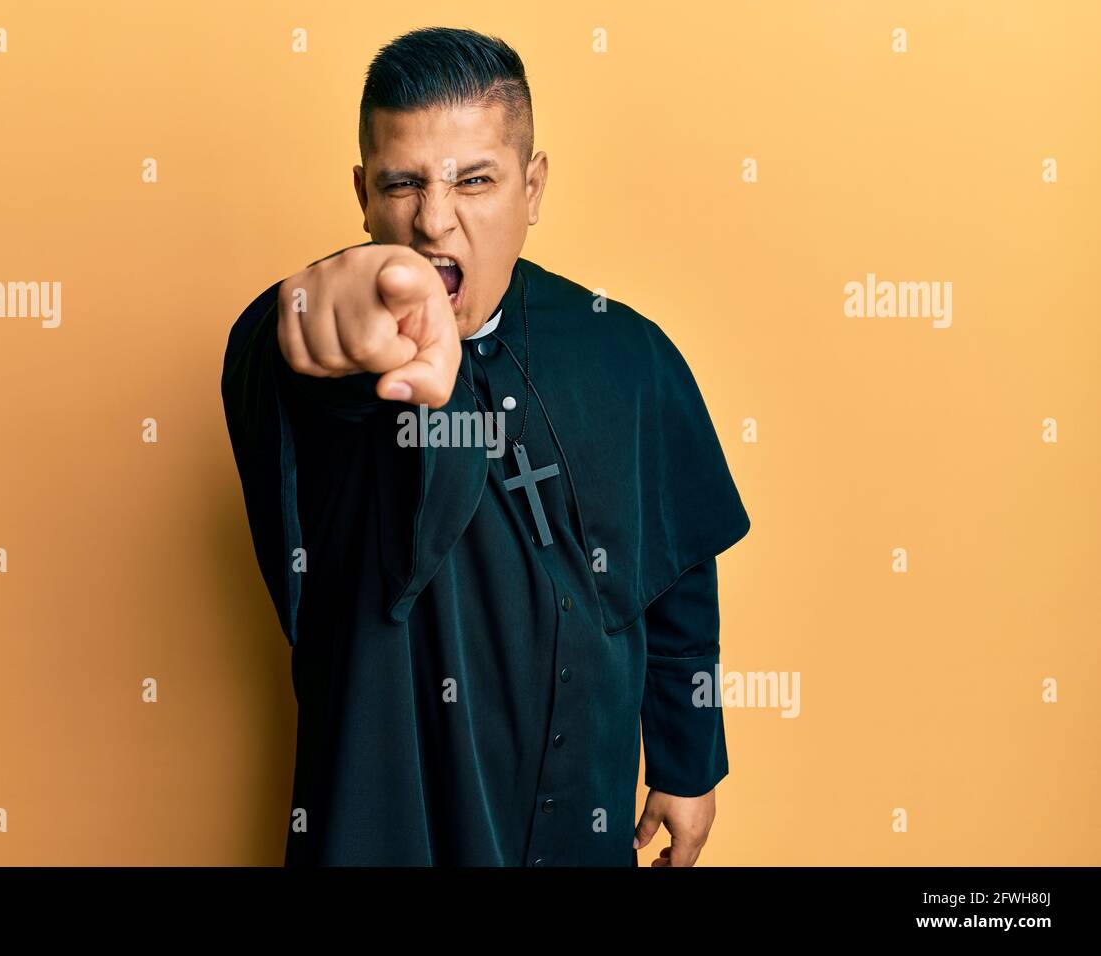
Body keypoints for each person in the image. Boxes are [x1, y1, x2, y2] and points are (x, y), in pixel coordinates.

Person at [221, 26, 750, 866]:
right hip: (391, 820)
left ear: (532, 187)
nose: (435, 221)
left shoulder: (629, 352)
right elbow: (293, 350)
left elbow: (681, 580)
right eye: (402, 183)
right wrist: (316, 319)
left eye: (475, 180)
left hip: (588, 812)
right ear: (363, 194)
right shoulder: (344, 359)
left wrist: (689, 763)